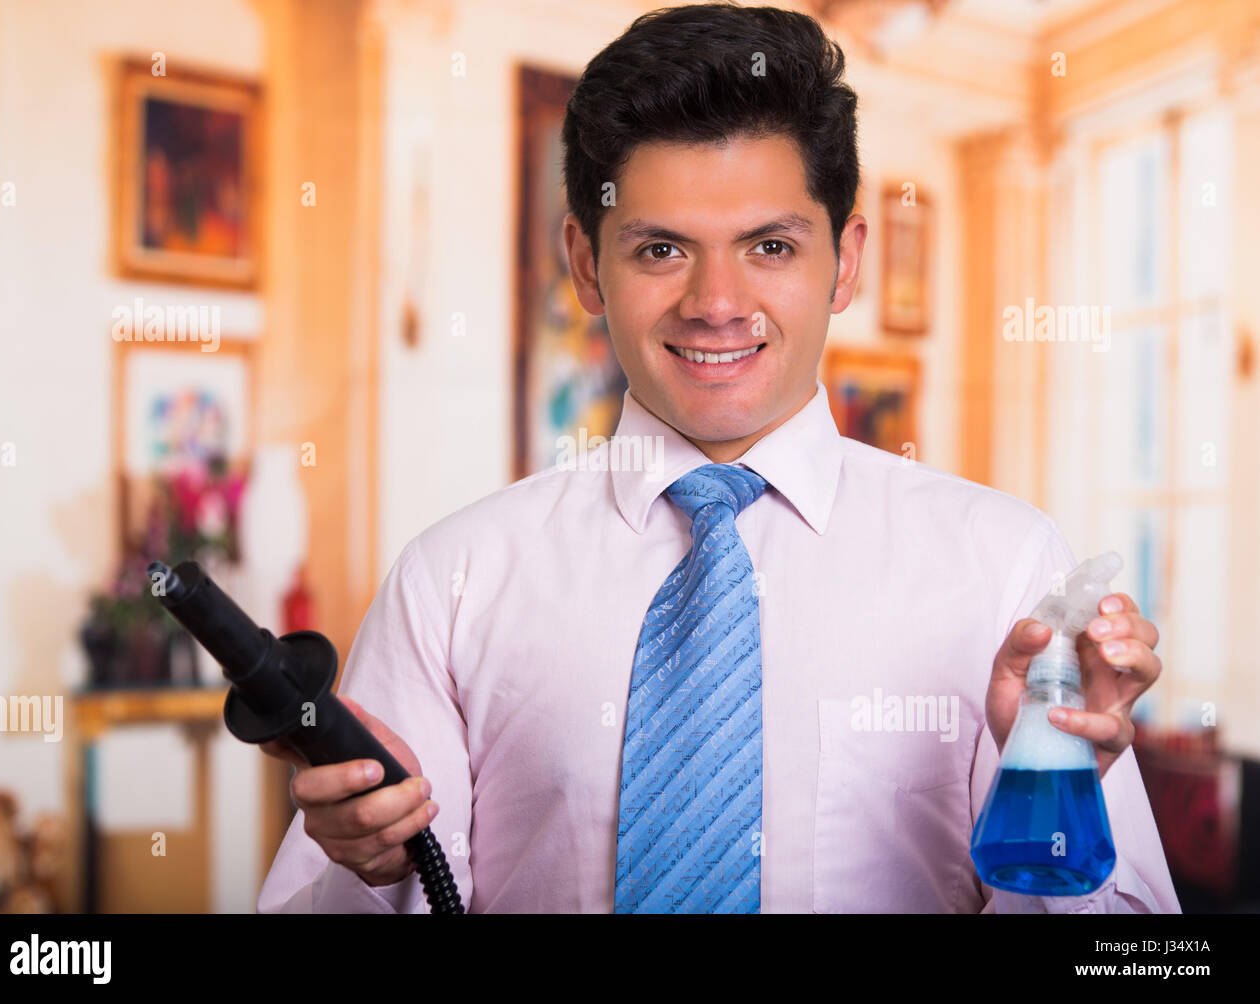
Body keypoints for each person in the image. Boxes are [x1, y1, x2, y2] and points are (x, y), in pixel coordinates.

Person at [257, 2, 1179, 914]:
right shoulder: (449, 581)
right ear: (585, 263)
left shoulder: (1004, 565)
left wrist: (1049, 802)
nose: (718, 303)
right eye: (661, 249)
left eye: (770, 246)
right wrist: (365, 869)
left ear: (846, 261)